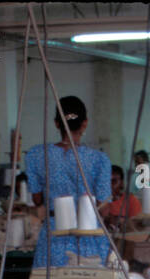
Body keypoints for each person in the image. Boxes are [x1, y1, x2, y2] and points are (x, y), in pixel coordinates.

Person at [24, 95, 112, 267]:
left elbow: (37, 200)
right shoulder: (99, 160)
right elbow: (104, 209)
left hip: (54, 234)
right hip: (88, 237)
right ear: (85, 123)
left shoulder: (36, 155)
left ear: (57, 123)